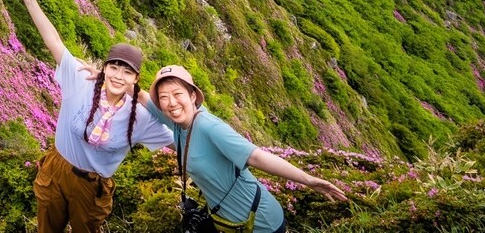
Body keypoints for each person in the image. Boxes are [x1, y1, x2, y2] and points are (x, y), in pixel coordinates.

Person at [9, 0, 174, 233]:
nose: (118, 75)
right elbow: (54, 42)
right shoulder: (81, 80)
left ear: (136, 78)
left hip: (92, 186)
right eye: (114, 67)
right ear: (104, 68)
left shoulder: (140, 117)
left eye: (127, 72)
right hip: (56, 170)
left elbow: (180, 139)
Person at [147, 63, 348, 233]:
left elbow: (257, 156)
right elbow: (140, 96)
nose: (171, 102)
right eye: (163, 97)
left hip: (262, 223)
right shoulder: (178, 121)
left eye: (177, 94)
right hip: (228, 223)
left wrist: (308, 180)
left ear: (192, 96)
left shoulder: (210, 127)